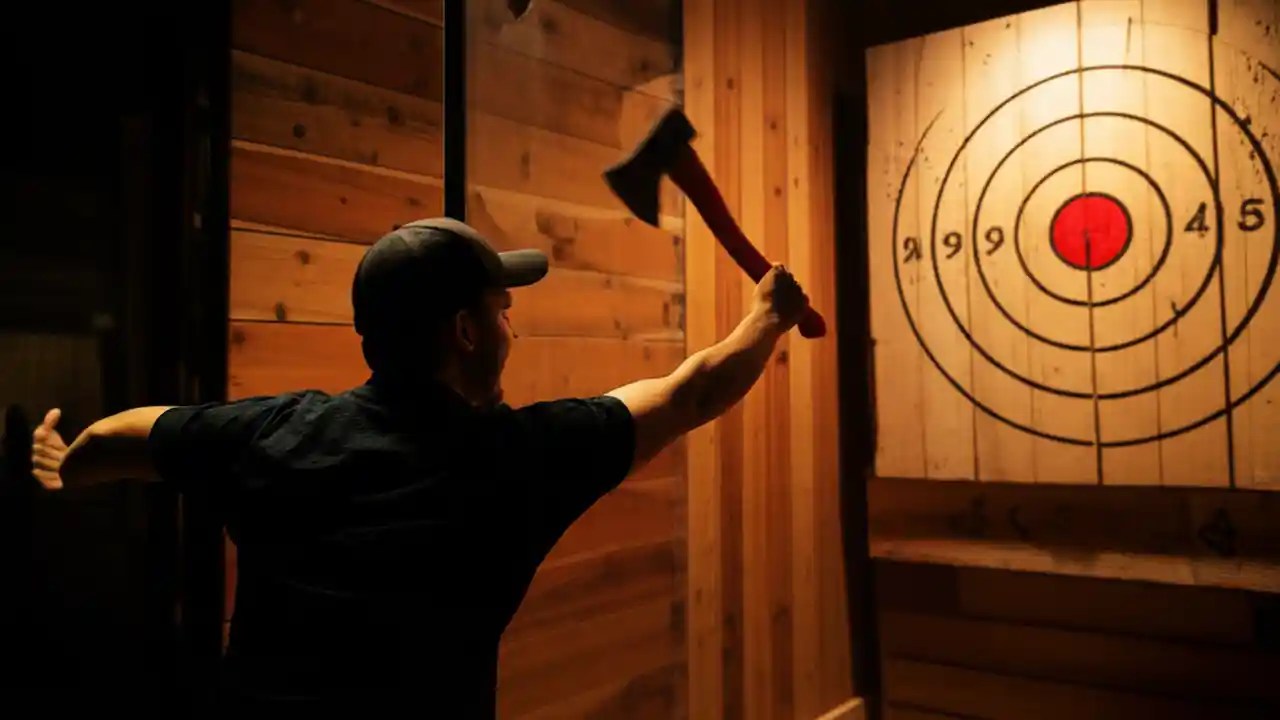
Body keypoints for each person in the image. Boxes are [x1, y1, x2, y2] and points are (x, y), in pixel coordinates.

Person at [30, 217, 811, 715]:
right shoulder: (512, 462)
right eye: (502, 312)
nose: (514, 329)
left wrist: (66, 465)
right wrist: (768, 315)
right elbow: (691, 391)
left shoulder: (271, 434)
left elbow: (128, 437)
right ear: (467, 334)